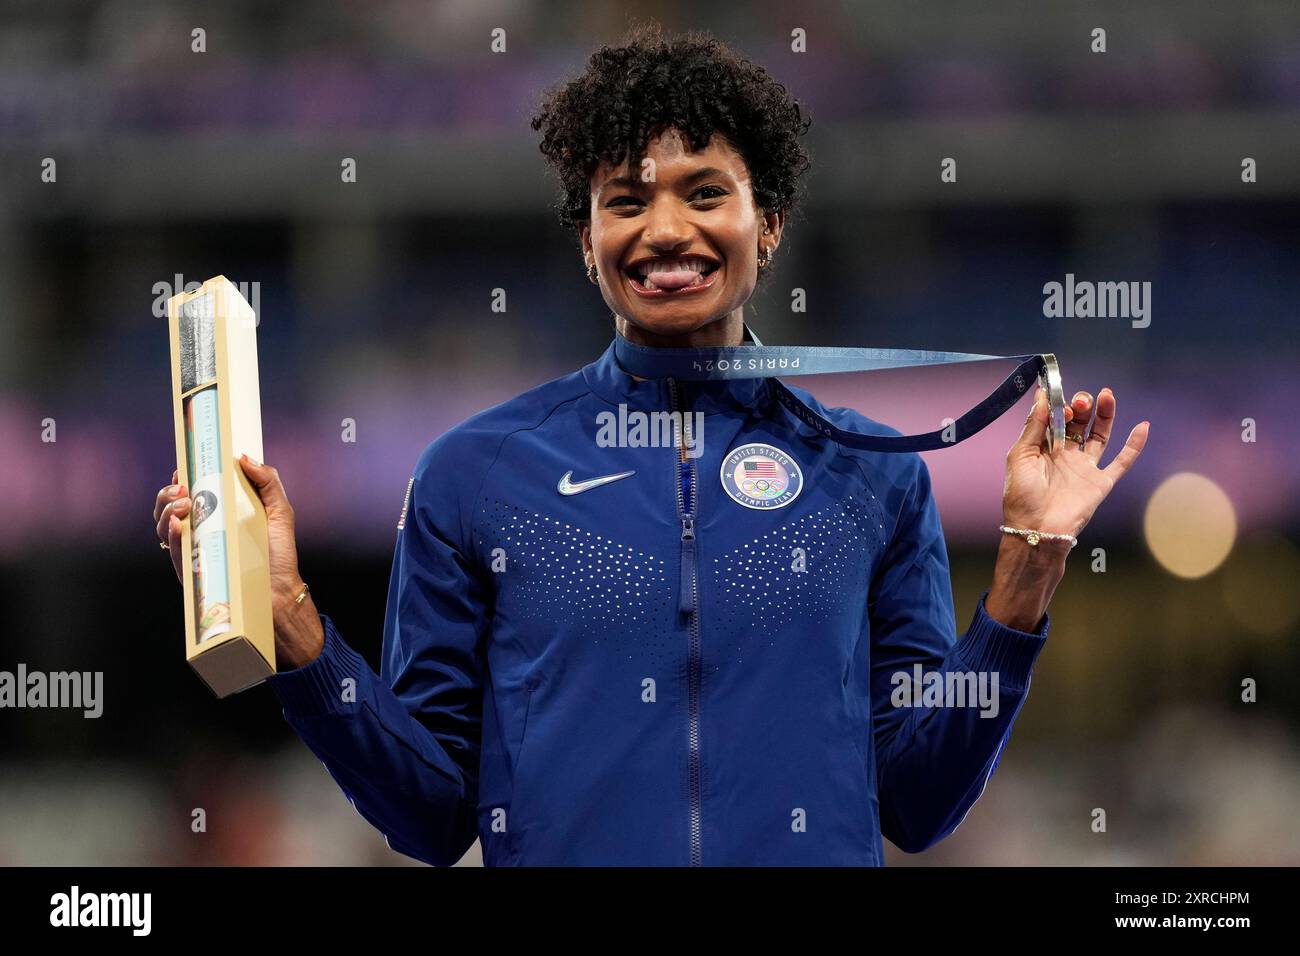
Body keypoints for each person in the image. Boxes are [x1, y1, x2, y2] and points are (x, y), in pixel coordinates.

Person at [152, 26, 1148, 866]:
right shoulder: (473, 474)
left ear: (770, 224)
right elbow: (431, 813)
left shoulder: (872, 469)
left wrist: (1025, 570)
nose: (666, 229)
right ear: (586, 240)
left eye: (705, 192)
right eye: (625, 200)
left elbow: (916, 803)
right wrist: (290, 619)